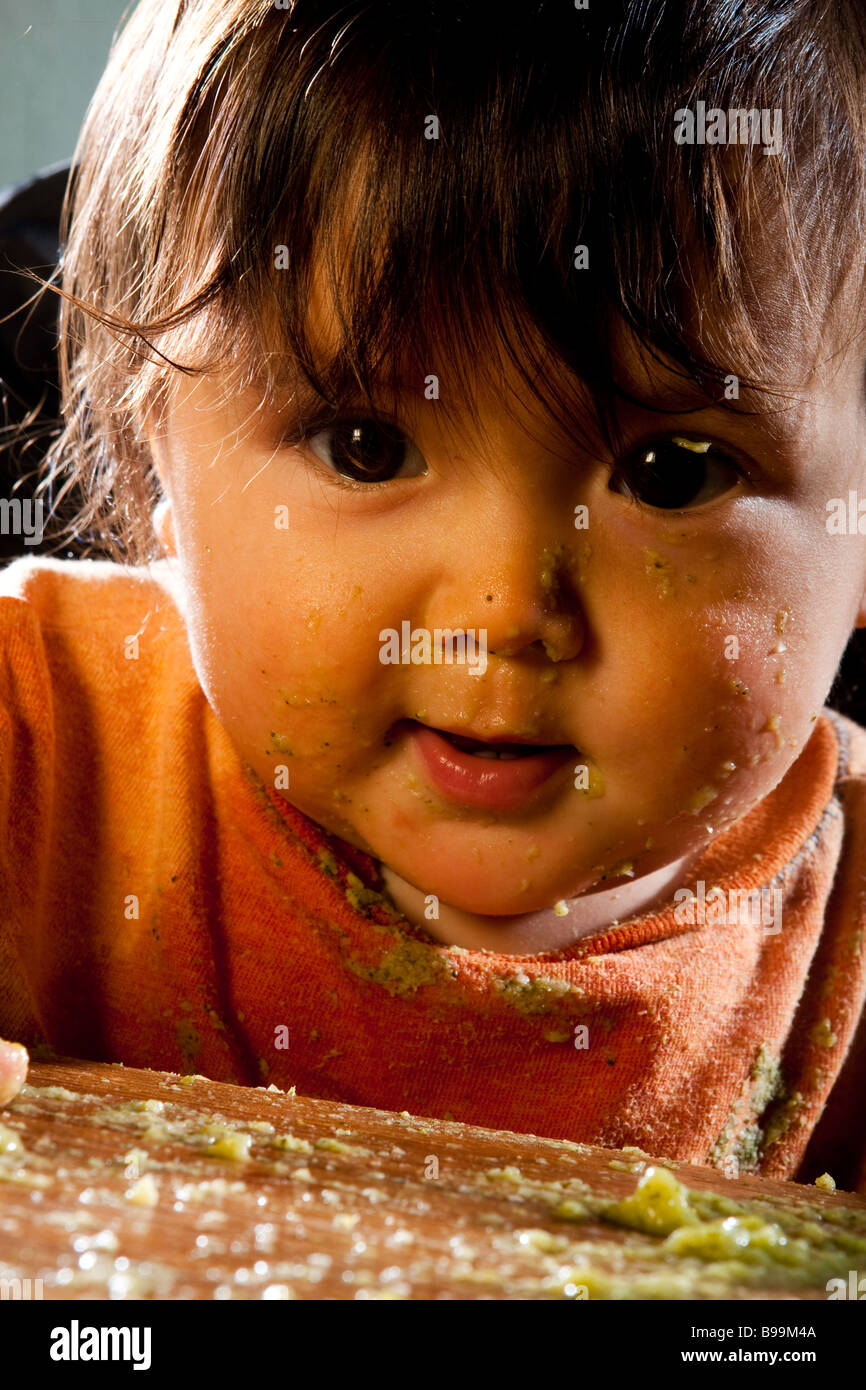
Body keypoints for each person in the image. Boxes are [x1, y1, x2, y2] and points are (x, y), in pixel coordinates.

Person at [2, 0, 866, 1190]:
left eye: (671, 474)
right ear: (164, 461)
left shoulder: (847, 947)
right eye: (364, 447)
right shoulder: (41, 740)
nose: (503, 611)